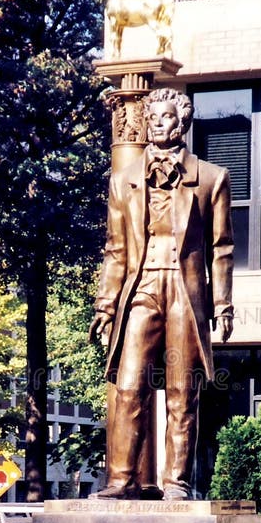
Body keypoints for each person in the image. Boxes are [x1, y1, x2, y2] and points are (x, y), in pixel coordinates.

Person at [89, 87, 234, 500]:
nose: (157, 123)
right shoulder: (124, 180)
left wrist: (222, 304)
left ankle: (176, 482)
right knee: (129, 385)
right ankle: (120, 479)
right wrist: (106, 303)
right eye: (152, 117)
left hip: (185, 294)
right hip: (142, 289)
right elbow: (115, 250)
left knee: (181, 391)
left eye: (166, 117)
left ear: (182, 121)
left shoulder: (211, 178)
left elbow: (221, 248)